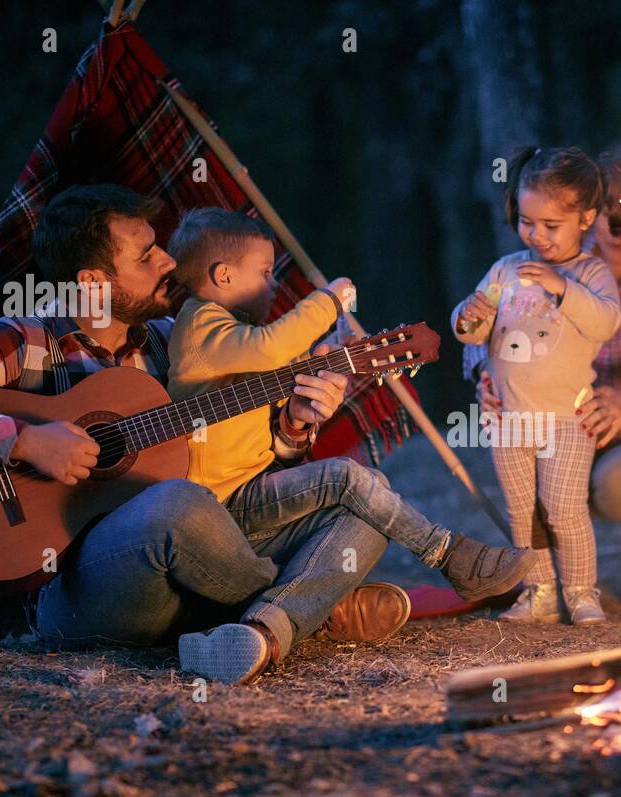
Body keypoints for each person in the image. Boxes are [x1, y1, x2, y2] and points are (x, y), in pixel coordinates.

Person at [0, 185, 527, 687]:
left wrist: (296, 425)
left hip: (205, 556)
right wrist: (22, 440)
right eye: (146, 255)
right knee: (173, 504)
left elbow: (231, 454)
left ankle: (262, 631)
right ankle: (315, 605)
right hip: (92, 592)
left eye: (161, 246)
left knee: (363, 501)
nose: (169, 261)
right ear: (93, 284)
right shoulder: (27, 340)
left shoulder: (173, 340)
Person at [163, 208, 534, 677]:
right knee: (347, 478)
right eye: (263, 273)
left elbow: (270, 370)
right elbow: (269, 348)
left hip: (247, 499)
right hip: (208, 510)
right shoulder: (200, 324)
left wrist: (323, 367)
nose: (273, 284)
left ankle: (259, 634)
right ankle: (449, 554)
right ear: (223, 275)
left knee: (369, 504)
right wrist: (327, 300)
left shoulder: (232, 339)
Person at [467, 151, 621, 604]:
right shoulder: (554, 259)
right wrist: (485, 372)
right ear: (588, 215)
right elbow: (495, 320)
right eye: (610, 216)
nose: (617, 232)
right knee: (528, 491)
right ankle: (542, 590)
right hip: (560, 421)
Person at [452, 147, 621, 625]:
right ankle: (539, 592)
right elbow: (472, 331)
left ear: (586, 218)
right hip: (507, 416)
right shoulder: (505, 270)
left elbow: (606, 320)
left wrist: (560, 286)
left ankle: (583, 592)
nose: (537, 235)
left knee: (564, 508)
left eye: (552, 225)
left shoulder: (589, 274)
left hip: (567, 417)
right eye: (528, 222)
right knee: (522, 511)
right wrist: (467, 317)